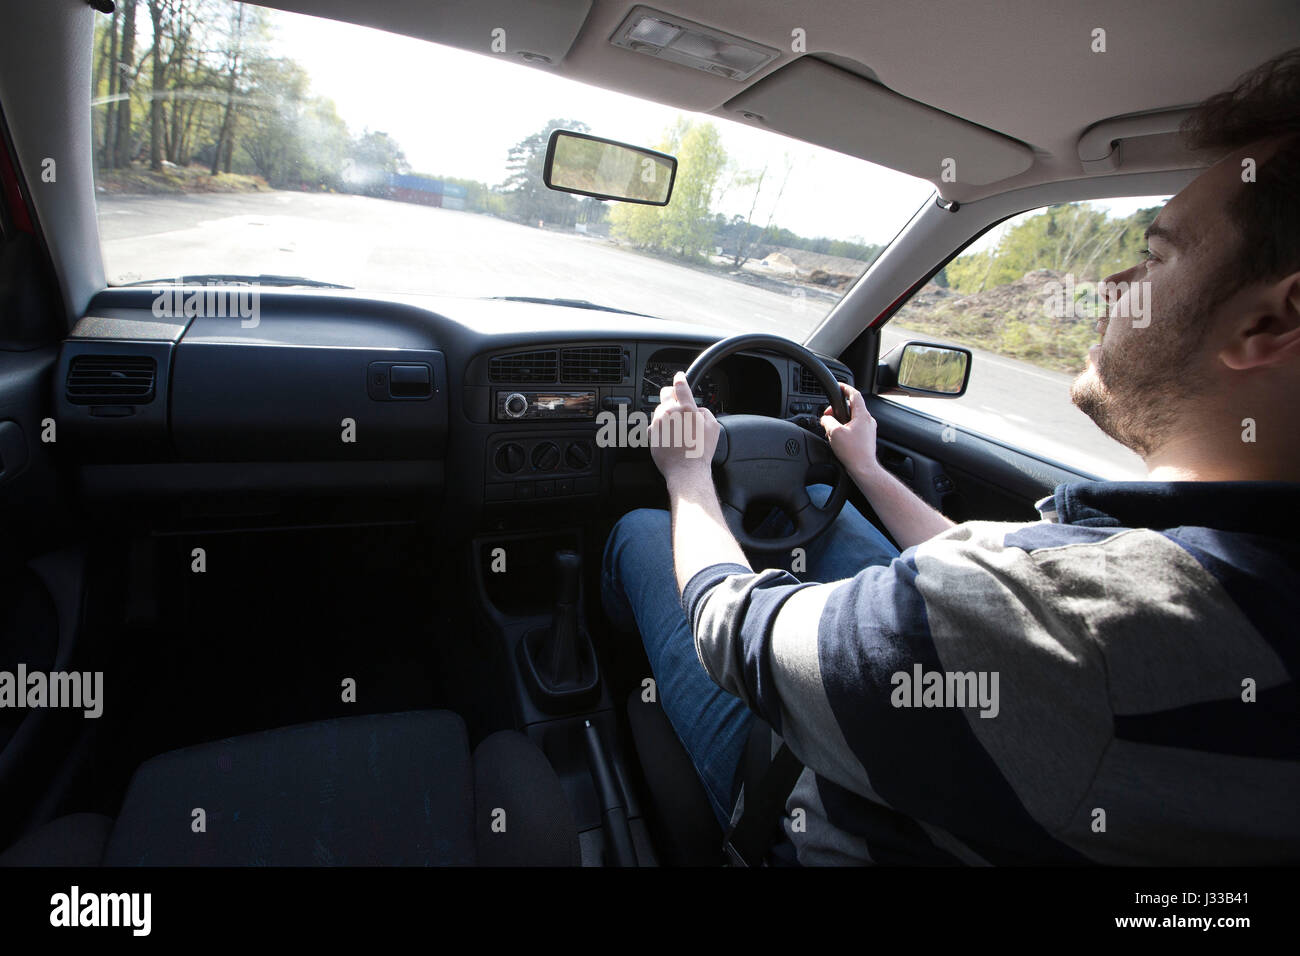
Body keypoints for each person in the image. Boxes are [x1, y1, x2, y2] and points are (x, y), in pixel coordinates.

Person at [602, 49, 1300, 865]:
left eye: (1157, 254)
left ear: (1274, 322)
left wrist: (687, 478)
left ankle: (599, 694)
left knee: (641, 533)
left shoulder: (1082, 633)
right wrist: (864, 469)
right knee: (842, 541)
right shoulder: (1236, 571)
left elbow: (734, 629)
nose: (1114, 282)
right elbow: (987, 578)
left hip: (814, 803)